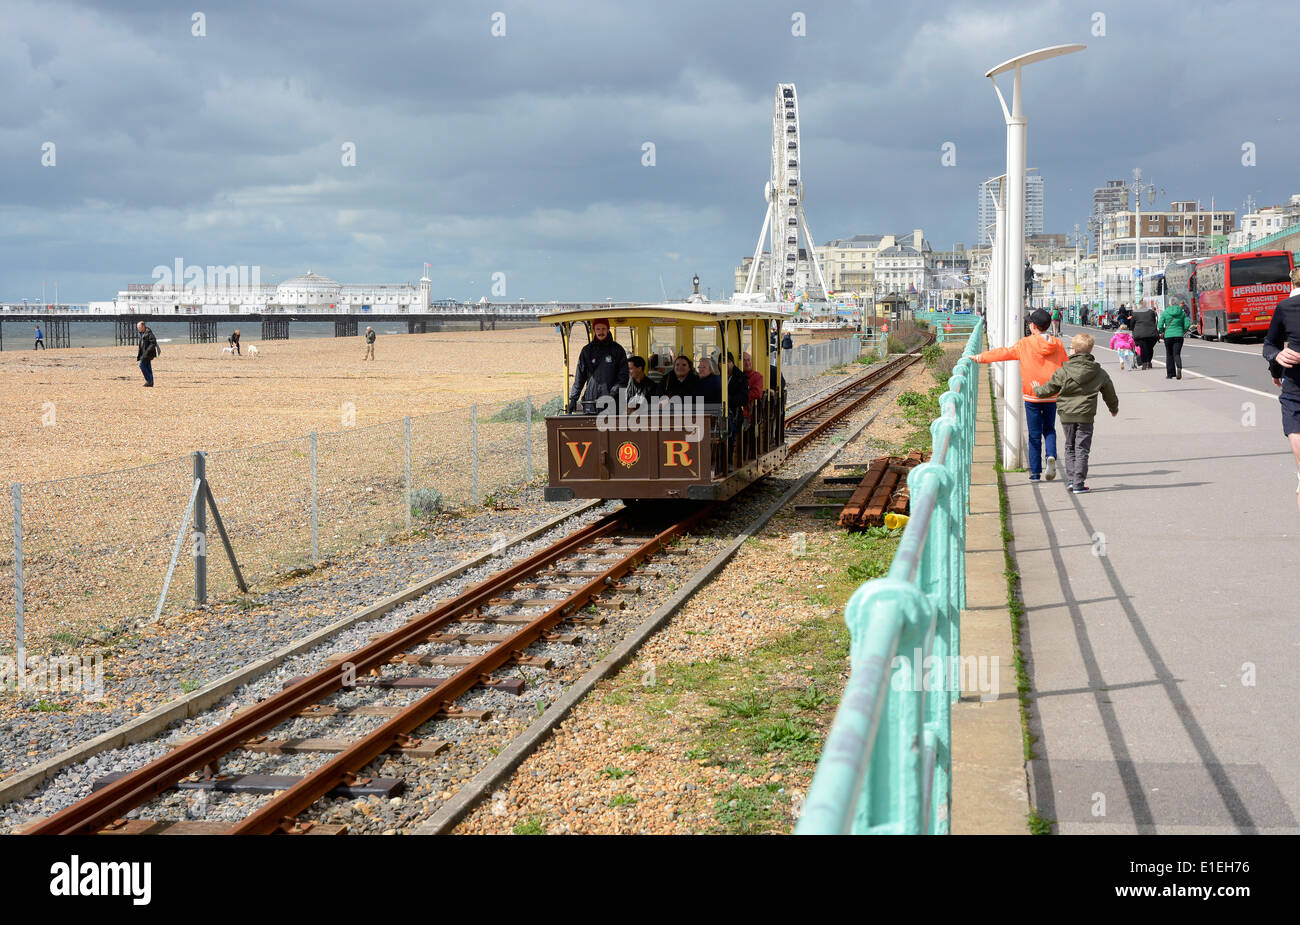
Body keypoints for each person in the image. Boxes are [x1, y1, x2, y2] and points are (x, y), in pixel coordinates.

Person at [973, 308, 1068, 482]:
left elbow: (1003, 353)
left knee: (1033, 434)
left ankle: (1035, 473)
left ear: (1033, 326)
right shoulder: (1058, 344)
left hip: (1032, 394)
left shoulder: (1025, 344)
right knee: (1049, 429)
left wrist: (981, 357)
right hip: (1052, 393)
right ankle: (1051, 456)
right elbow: (1066, 366)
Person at [1031, 332, 1119, 494]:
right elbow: (1110, 393)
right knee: (1082, 448)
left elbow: (1047, 390)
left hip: (1066, 414)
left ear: (1075, 351)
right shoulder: (1099, 372)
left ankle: (1072, 480)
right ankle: (1079, 483)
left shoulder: (1063, 371)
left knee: (1070, 446)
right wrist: (1113, 409)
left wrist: (1036, 388)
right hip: (1086, 415)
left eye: (1070, 347)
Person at [1262, 266, 1300, 511]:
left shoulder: (1286, 307)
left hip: (1296, 386)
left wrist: (1277, 360)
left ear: (1291, 284)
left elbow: (1269, 345)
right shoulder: (1285, 308)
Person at [567, 318, 628, 413]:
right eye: (598, 329)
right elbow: (580, 377)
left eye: (603, 328)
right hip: (591, 401)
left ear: (608, 329)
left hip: (612, 402)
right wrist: (573, 399)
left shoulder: (618, 350)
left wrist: (612, 394)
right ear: (594, 330)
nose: (601, 332)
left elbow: (623, 377)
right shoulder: (587, 351)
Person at [1158, 298, 1192, 380]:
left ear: (1169, 304)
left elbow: (1160, 325)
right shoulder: (1182, 312)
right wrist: (1183, 331)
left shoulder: (1165, 312)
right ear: (1177, 303)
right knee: (1177, 354)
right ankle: (1179, 367)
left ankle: (1170, 374)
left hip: (1168, 336)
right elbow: (1187, 324)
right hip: (1179, 336)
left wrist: (1163, 331)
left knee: (1169, 354)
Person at [1130, 302, 1159, 370]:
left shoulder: (1135, 313)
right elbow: (1154, 321)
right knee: (1150, 348)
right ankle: (1149, 361)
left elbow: (1132, 324)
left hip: (1140, 334)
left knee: (1143, 348)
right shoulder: (1151, 312)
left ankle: (1144, 363)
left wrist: (1132, 329)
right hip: (1152, 334)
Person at [136, 320, 159, 387]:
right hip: (144, 353)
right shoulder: (143, 333)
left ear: (143, 326)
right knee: (148, 367)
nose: (138, 329)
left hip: (147, 353)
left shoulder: (149, 333)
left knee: (142, 365)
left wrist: (147, 351)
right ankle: (151, 382)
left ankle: (148, 381)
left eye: (139, 327)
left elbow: (153, 342)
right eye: (138, 328)